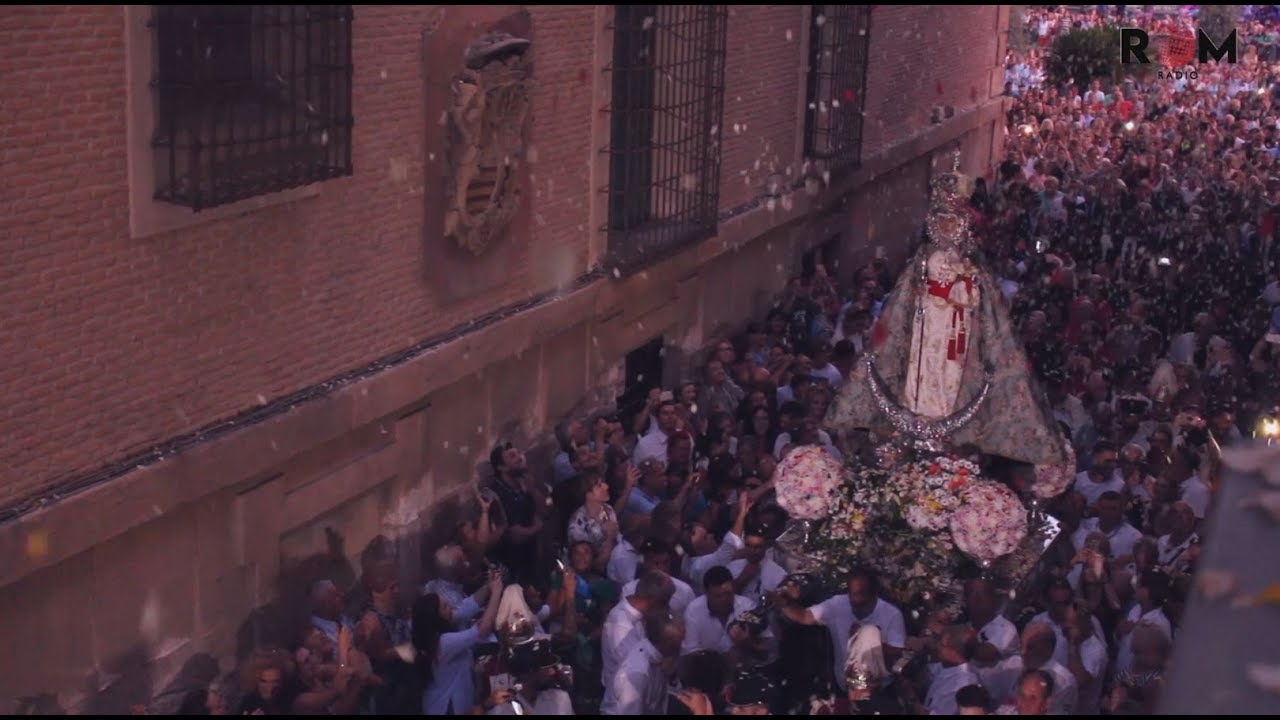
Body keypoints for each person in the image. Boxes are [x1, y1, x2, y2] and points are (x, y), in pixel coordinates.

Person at [414, 568, 504, 715]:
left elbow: (466, 607)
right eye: (445, 606)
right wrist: (496, 592)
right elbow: (484, 628)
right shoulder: (443, 643)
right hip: (446, 708)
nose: (451, 607)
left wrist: (488, 586)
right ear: (436, 617)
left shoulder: (435, 632)